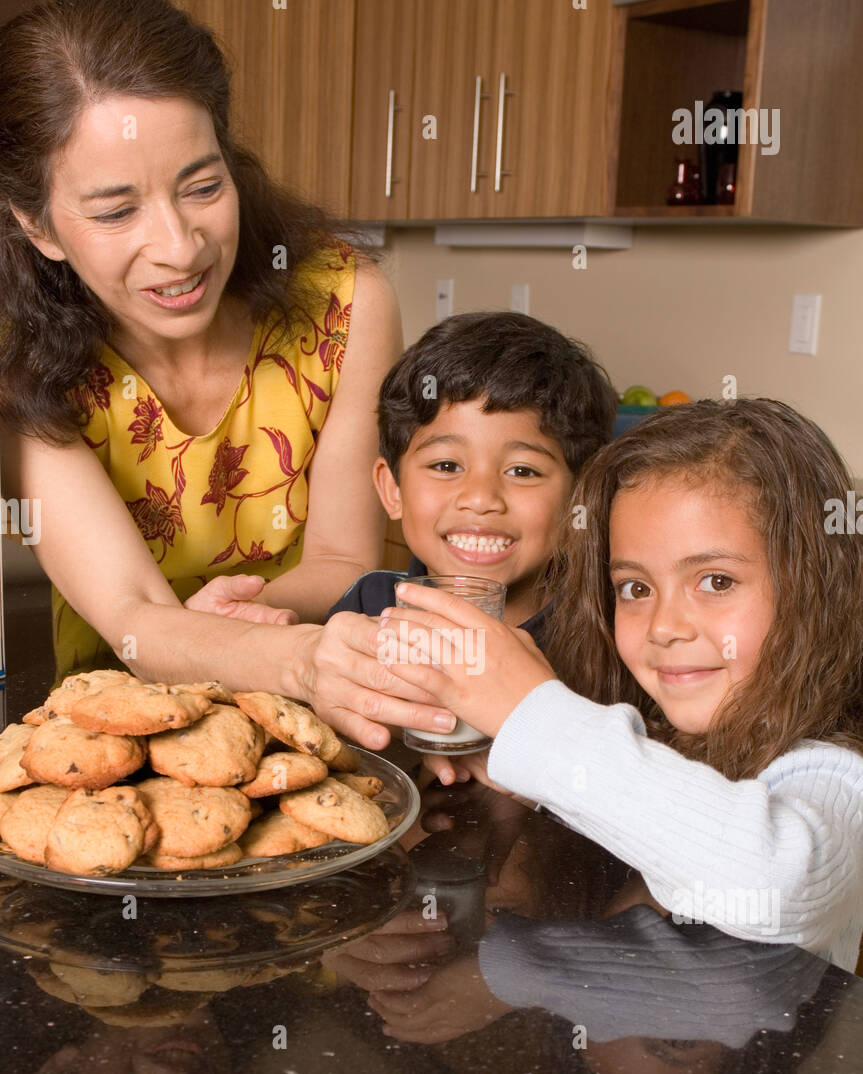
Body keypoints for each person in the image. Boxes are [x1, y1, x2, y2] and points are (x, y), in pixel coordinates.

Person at [0, 0, 451, 746]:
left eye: (202, 187)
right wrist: (284, 656)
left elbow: (343, 557)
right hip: (116, 734)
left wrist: (232, 636)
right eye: (116, 212)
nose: (179, 249)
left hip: (332, 717)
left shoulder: (348, 302)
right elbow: (132, 613)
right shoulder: (16, 365)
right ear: (37, 225)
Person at [378, 398, 863, 973]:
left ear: (815, 587)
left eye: (715, 580)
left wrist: (533, 716)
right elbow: (661, 815)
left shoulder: (836, 775)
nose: (664, 626)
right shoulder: (680, 736)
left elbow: (778, 879)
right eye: (635, 588)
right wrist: (525, 768)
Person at [327, 309, 616, 780]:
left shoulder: (607, 630)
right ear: (392, 489)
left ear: (580, 498)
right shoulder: (366, 609)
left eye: (522, 471)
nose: (481, 499)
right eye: (445, 466)